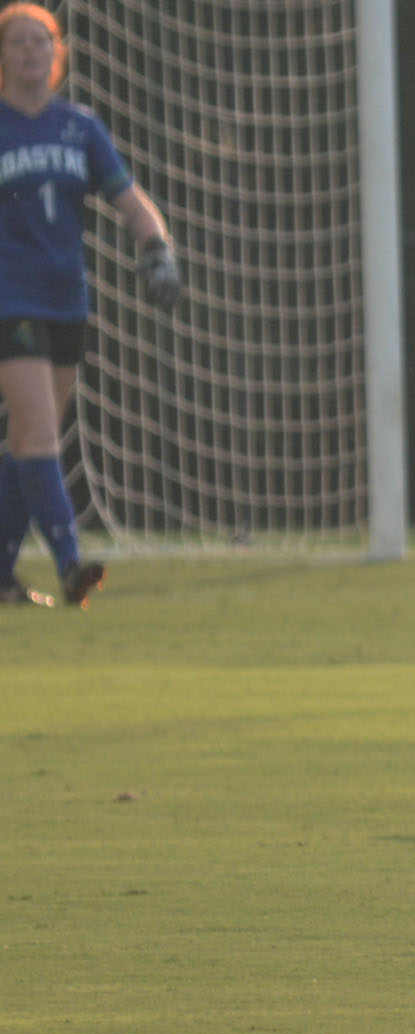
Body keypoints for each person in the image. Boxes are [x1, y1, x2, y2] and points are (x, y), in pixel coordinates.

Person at [0, 2, 179, 610]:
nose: (31, 52)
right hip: (10, 301)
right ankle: (71, 563)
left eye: (41, 41)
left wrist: (157, 248)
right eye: (19, 42)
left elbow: (131, 202)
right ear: (2, 56)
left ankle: (0, 575)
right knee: (41, 432)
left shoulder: (80, 127)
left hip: (66, 302)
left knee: (30, 440)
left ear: (58, 53)